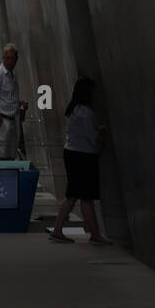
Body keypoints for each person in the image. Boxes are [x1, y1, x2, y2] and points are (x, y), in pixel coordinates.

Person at [48, 78, 113, 245]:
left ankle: (61, 231)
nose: (95, 94)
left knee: (75, 195)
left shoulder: (74, 110)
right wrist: (101, 134)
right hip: (83, 157)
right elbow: (92, 138)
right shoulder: (86, 113)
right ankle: (94, 235)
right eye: (93, 91)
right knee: (83, 197)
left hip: (72, 153)